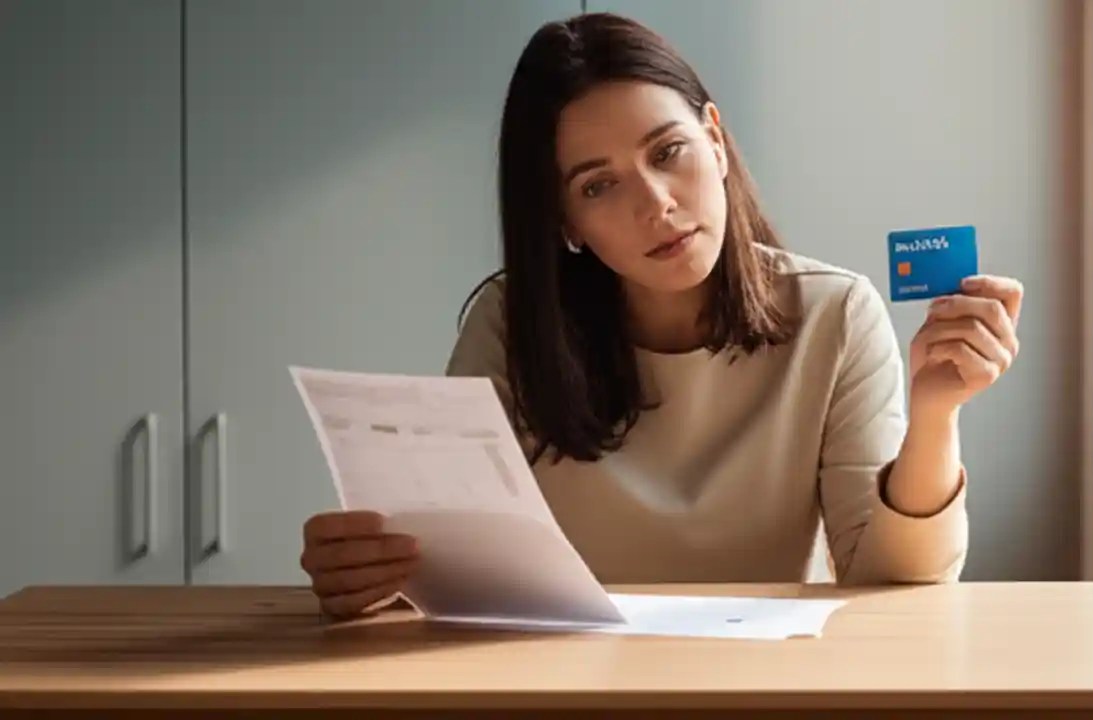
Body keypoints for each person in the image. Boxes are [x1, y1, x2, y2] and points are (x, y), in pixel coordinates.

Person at [300, 12, 1024, 619]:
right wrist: (369, 579)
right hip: (563, 691)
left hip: (765, 692)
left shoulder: (836, 315)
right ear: (565, 223)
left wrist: (936, 415)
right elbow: (444, 579)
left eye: (668, 151)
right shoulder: (510, 323)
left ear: (715, 139)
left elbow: (892, 589)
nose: (654, 203)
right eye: (598, 186)